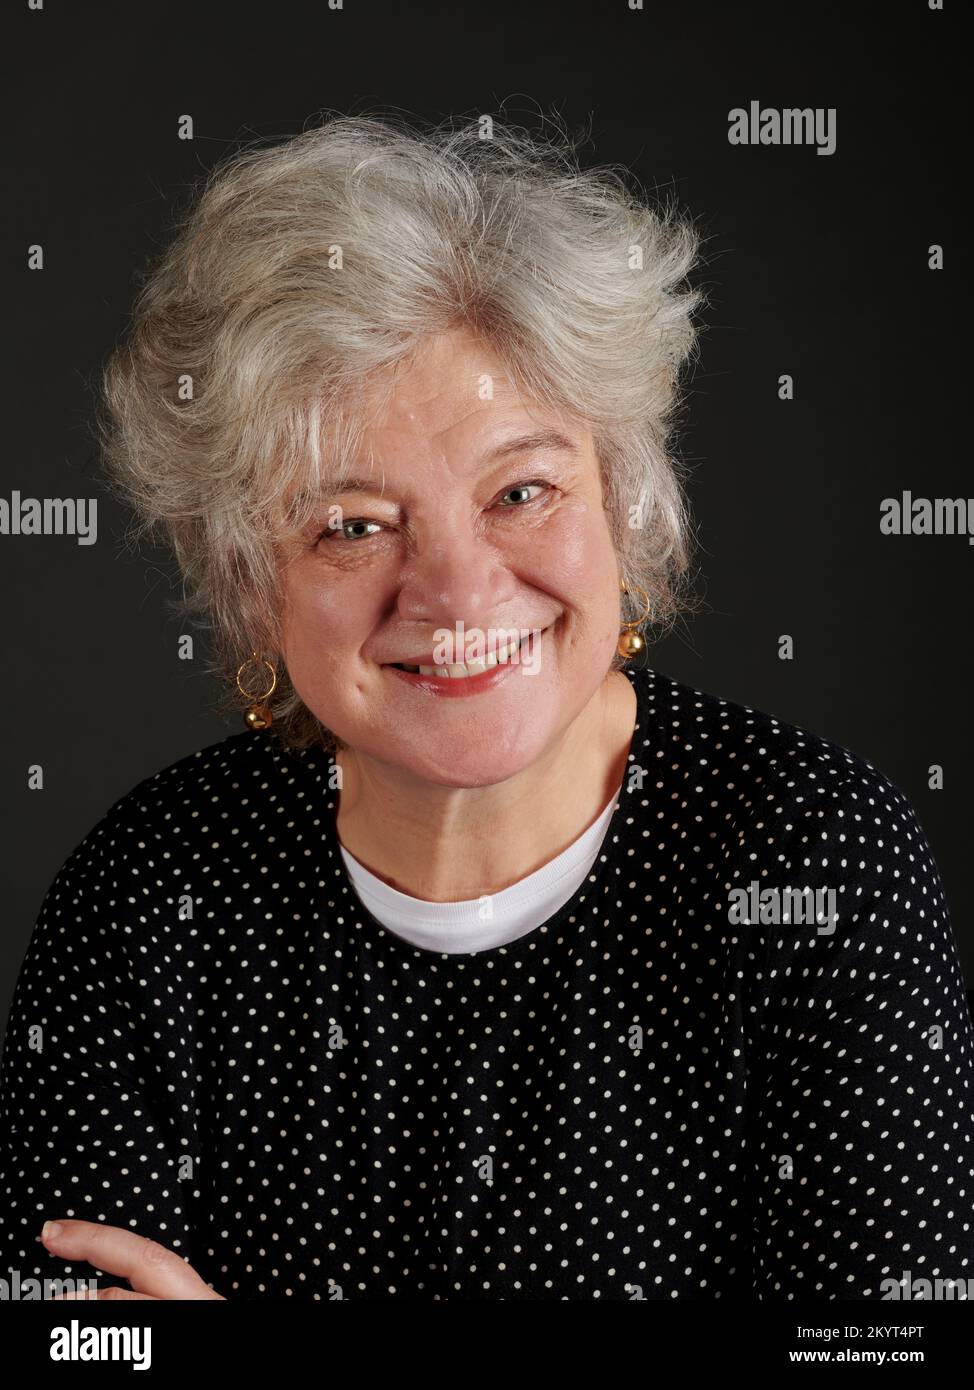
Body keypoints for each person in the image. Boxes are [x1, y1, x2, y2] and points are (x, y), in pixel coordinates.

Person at [1, 113, 972, 1302]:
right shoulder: (152, 890)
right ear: (252, 586)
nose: (457, 589)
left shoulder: (808, 857)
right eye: (352, 524)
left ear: (623, 505)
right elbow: (60, 1332)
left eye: (520, 490)